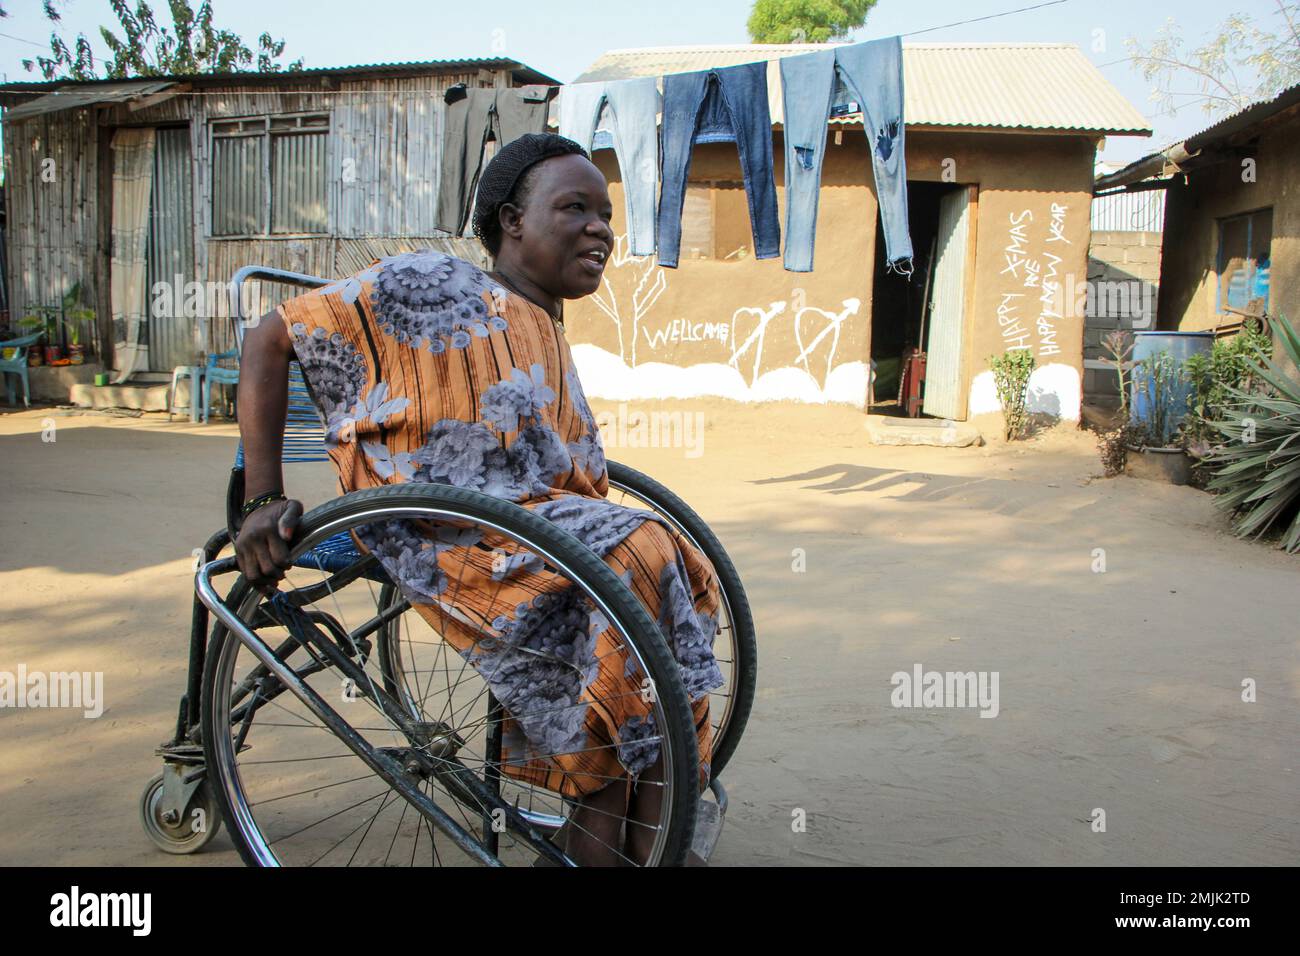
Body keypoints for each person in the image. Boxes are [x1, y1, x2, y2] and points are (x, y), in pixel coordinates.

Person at [233, 133, 724, 865]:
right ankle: (610, 827)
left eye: (606, 214)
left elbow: (564, 473)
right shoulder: (436, 279)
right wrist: (261, 495)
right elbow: (271, 337)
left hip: (527, 525)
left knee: (664, 555)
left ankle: (654, 823)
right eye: (575, 208)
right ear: (512, 220)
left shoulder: (543, 327)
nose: (601, 228)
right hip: (431, 525)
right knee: (636, 553)